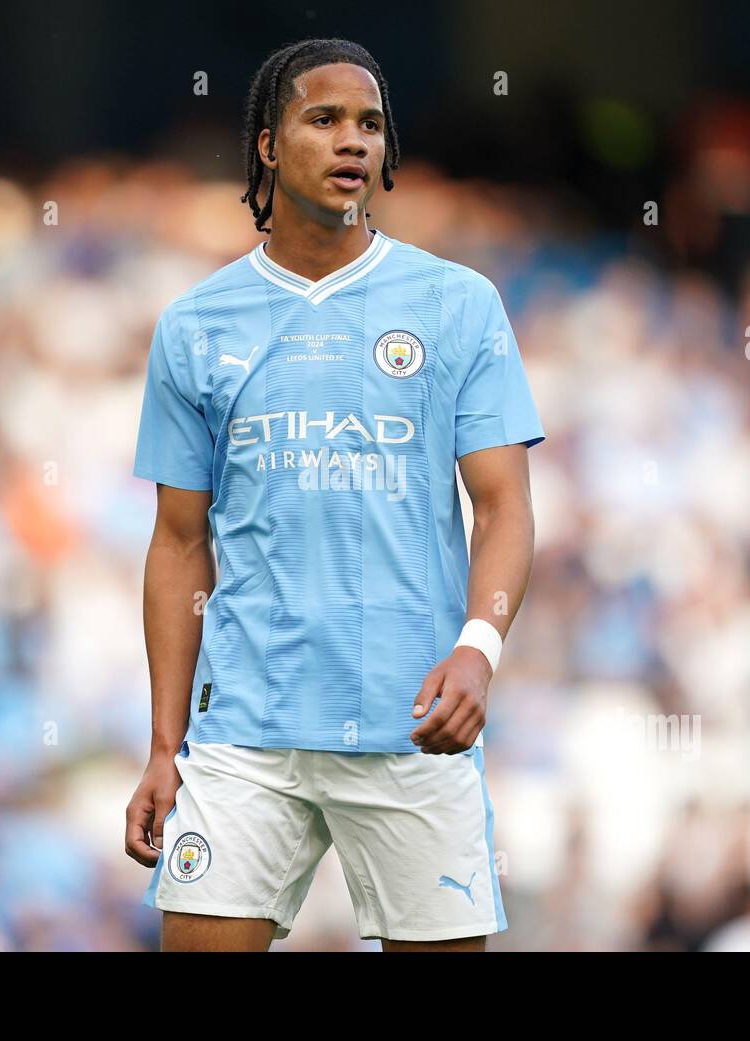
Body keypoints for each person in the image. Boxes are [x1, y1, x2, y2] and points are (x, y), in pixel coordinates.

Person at [124, 37, 545, 952]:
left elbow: (505, 507)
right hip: (245, 731)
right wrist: (165, 745)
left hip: (413, 724)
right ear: (269, 146)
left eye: (371, 125)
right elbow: (177, 543)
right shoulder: (197, 325)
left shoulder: (456, 304)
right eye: (325, 119)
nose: (354, 140)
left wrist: (479, 649)